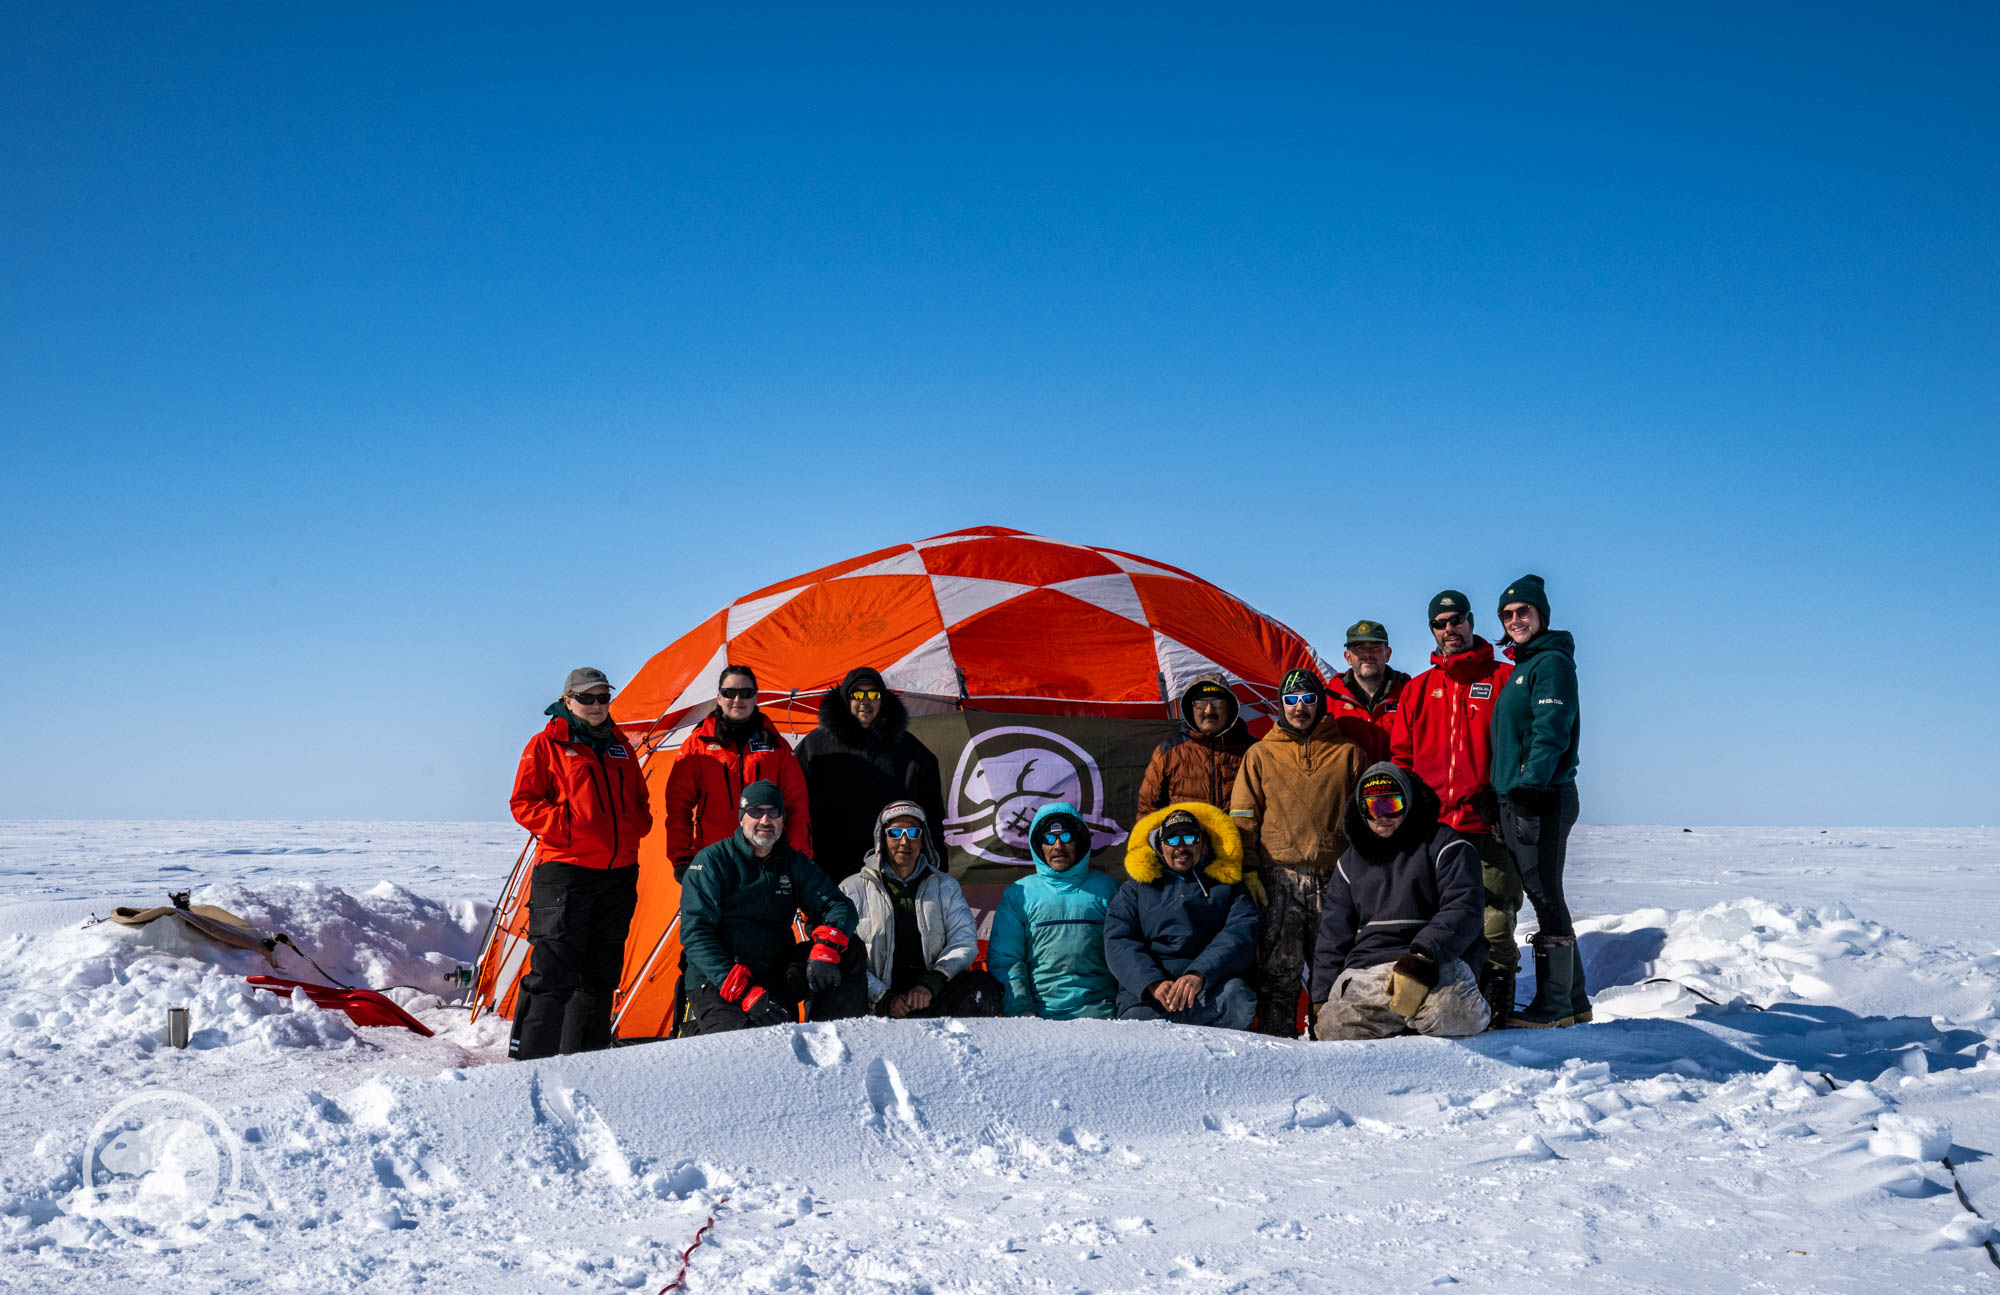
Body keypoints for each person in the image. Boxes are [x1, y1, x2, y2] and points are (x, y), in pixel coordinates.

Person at [1390, 589, 1523, 1024]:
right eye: (1440, 623)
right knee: (1433, 921)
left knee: (1495, 919)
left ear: (1471, 621)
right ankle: (1447, 1005)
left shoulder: (1505, 679)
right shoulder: (1417, 689)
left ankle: (1499, 1001)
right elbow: (1402, 760)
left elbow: (1525, 745)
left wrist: (1506, 798)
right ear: (1433, 630)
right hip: (1434, 832)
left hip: (1489, 828)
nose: (1450, 629)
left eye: (1457, 620)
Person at [507, 667, 654, 1060]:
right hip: (566, 872)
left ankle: (587, 1061)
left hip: (618, 873)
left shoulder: (621, 745)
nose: (595, 705)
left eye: (603, 698)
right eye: (587, 698)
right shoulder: (547, 743)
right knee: (553, 975)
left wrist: (637, 825)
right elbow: (523, 803)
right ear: (568, 700)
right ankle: (529, 1062)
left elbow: (641, 798)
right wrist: (569, 827)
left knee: (600, 976)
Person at [1229, 666, 1368, 1036]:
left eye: (1308, 699)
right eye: (1291, 700)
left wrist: (1364, 874)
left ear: (1320, 703)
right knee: (1278, 971)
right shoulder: (1259, 755)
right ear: (1280, 706)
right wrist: (1249, 869)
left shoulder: (1349, 754)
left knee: (1333, 969)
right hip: (1279, 878)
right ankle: (1279, 1048)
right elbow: (1243, 817)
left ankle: (1334, 1044)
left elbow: (1366, 823)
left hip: (1335, 879)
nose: (1299, 707)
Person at [1311, 764, 1491, 1040]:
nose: (1382, 817)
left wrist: (1423, 956)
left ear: (1407, 803)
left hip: (1437, 963)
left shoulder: (1446, 845)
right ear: (1362, 811)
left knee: (1452, 1015)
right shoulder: (1348, 864)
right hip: (1369, 971)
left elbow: (1464, 907)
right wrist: (1322, 997)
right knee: (1333, 1030)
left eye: (1391, 805)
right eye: (1373, 809)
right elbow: (1332, 936)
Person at [677, 780, 866, 1034]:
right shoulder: (712, 861)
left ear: (782, 819)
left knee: (849, 950)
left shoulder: (792, 862)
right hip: (720, 979)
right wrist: (740, 989)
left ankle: (828, 1040)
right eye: (756, 812)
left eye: (773, 812)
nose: (765, 820)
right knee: (743, 1047)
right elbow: (696, 934)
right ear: (742, 817)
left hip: (774, 971)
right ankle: (697, 1027)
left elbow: (838, 905)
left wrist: (828, 946)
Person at [1491, 574, 1586, 1028]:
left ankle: (1554, 1006)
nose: (1515, 620)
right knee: (1547, 892)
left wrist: (1530, 787)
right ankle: (1575, 1001)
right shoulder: (1524, 666)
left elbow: (1551, 728)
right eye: (1507, 615)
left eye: (1522, 612)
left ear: (1541, 614)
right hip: (1524, 795)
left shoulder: (1550, 664)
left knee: (1545, 895)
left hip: (1542, 797)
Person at [839, 802, 1002, 1018]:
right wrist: (884, 999)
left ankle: (967, 1049)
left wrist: (931, 983)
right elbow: (845, 955)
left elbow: (963, 941)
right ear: (882, 839)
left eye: (913, 832)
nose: (904, 841)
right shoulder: (852, 889)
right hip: (871, 1003)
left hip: (930, 997)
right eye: (895, 832)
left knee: (983, 986)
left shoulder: (945, 886)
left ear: (923, 840)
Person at [1105, 803, 1259, 1029]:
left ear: (1203, 843)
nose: (1181, 847)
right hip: (1154, 994)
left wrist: (1200, 974)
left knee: (1240, 1001)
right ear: (1160, 845)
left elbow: (1241, 932)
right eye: (1173, 840)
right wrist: (1153, 983)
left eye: (1190, 839)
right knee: (1134, 1022)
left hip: (1208, 986)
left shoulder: (1228, 886)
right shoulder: (1136, 888)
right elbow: (1118, 939)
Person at [795, 667, 946, 884]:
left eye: (873, 694)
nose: (865, 701)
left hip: (890, 867)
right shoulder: (815, 746)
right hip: (830, 864)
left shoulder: (910, 750)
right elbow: (794, 806)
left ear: (882, 700)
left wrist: (938, 867)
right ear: (845, 699)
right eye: (857, 694)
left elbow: (931, 815)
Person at [662, 664, 811, 875]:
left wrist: (798, 857)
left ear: (756, 697)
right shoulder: (698, 745)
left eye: (746, 693)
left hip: (767, 860)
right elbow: (678, 805)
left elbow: (797, 803)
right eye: (729, 693)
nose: (737, 700)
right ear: (719, 698)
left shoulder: (776, 745)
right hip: (715, 861)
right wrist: (682, 858)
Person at [987, 802, 1119, 1020]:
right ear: (1039, 847)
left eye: (1066, 837)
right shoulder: (1020, 894)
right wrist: (1022, 1013)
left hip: (1103, 1014)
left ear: (1079, 842)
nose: (1058, 845)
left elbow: (1125, 954)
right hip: (1039, 1016)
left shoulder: (1108, 890)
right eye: (1048, 839)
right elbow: (1006, 960)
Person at [1136, 673, 1255, 817]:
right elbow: (1147, 810)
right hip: (1186, 839)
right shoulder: (1169, 752)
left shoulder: (1254, 751)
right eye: (1201, 703)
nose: (1209, 710)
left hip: (1239, 838)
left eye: (1218, 702)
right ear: (1190, 709)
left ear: (1230, 707)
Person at [1325, 620, 1409, 764]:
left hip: (1399, 783)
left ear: (1387, 654)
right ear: (1347, 657)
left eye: (1375, 647)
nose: (1367, 654)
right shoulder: (1329, 699)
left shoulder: (1409, 694)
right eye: (1359, 648)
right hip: (1348, 785)